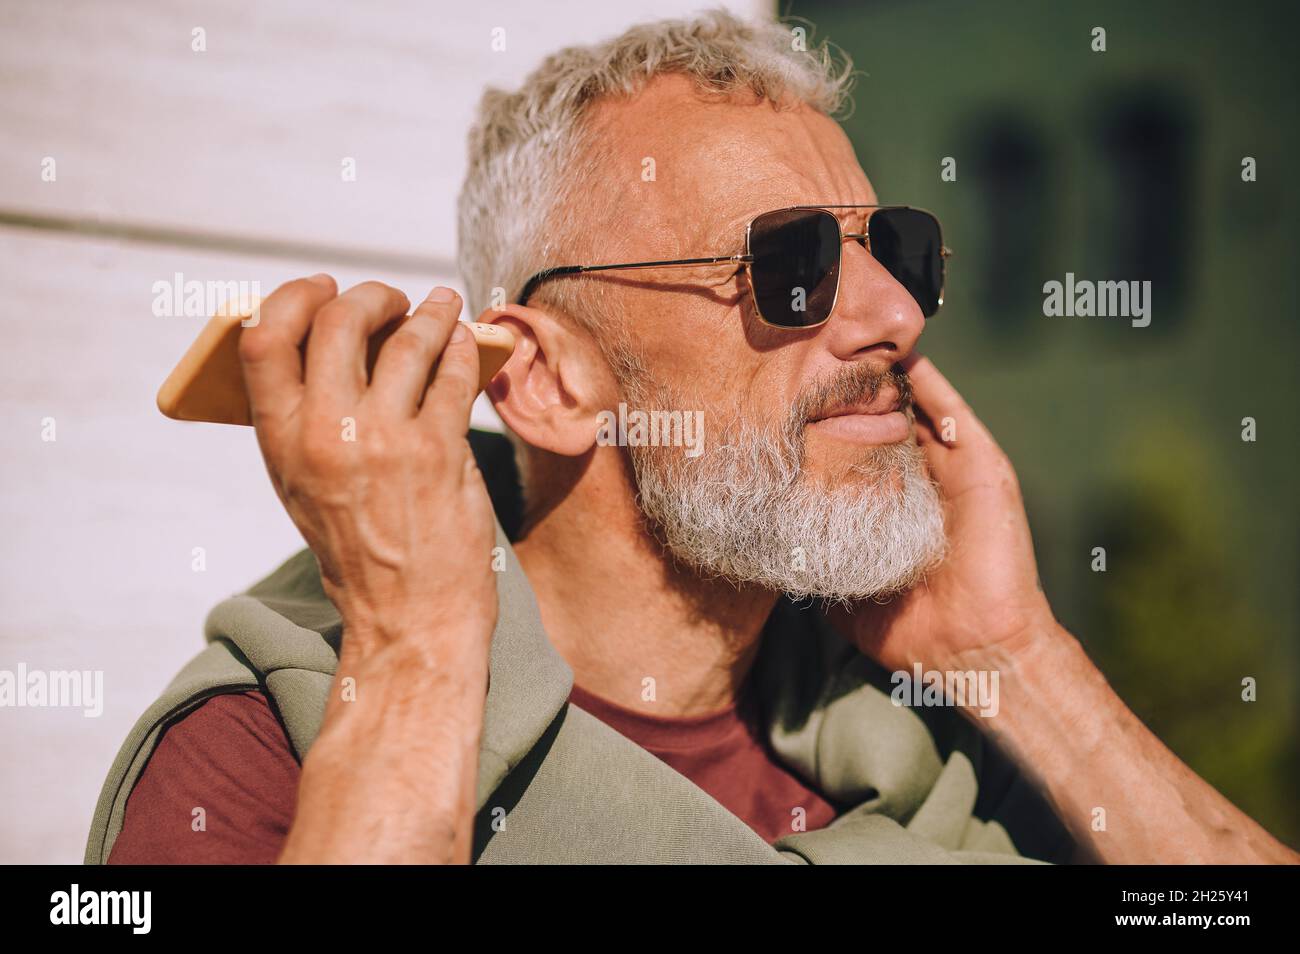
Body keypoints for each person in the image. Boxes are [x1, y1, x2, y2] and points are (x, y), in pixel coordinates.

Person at [89, 10, 1298, 865]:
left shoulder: (945, 727)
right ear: (554, 382)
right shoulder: (273, 757)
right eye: (791, 264)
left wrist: (1017, 653)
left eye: (897, 250)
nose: (891, 314)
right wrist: (413, 649)